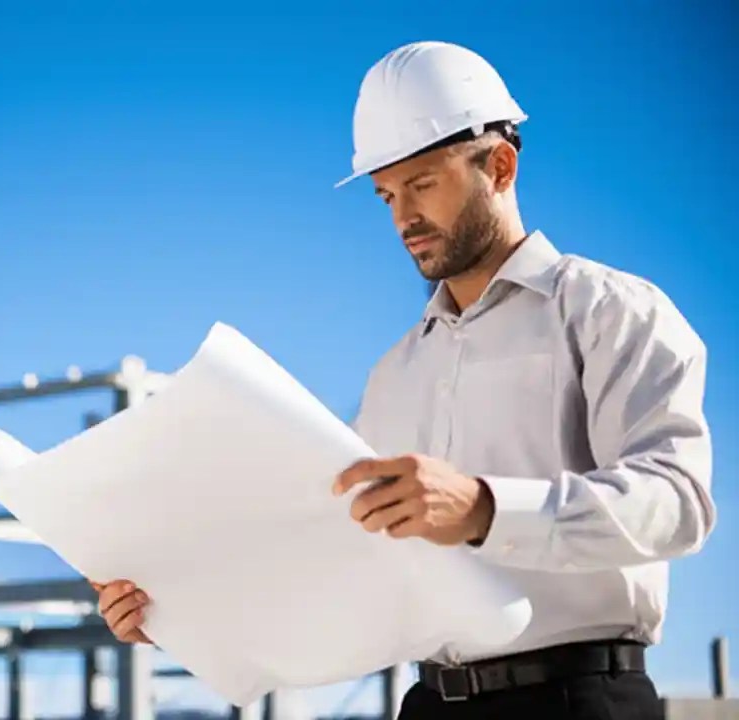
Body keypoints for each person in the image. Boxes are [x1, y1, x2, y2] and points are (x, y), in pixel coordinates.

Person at [89, 40, 715, 719]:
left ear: (499, 166)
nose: (402, 218)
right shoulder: (396, 373)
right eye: (387, 194)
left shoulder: (609, 312)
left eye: (422, 184)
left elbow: (677, 502)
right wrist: (181, 611)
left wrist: (484, 508)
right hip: (431, 703)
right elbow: (335, 558)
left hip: (578, 700)